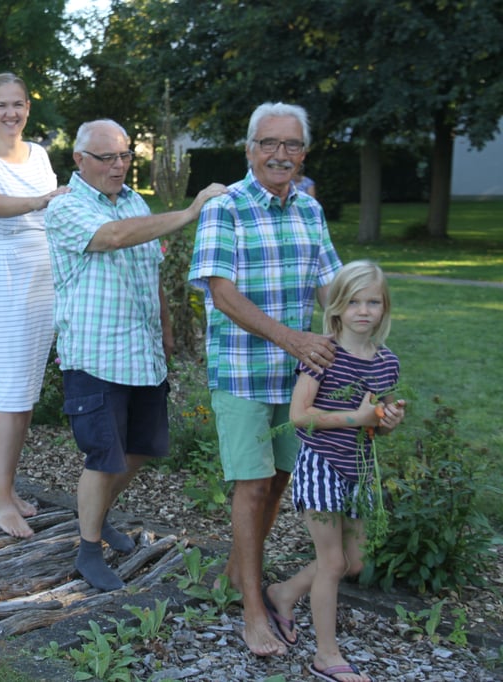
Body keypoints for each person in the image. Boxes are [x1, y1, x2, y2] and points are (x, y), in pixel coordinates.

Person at [44, 119, 226, 591]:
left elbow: (151, 268)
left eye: (125, 155)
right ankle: (88, 551)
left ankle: (98, 516)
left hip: (142, 353)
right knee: (103, 456)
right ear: (80, 160)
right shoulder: (65, 207)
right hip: (95, 354)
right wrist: (190, 211)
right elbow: (114, 237)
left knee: (141, 448)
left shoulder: (134, 202)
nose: (119, 165)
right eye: (107, 157)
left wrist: (166, 328)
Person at [187, 101, 342, 656]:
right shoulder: (225, 207)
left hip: (299, 377)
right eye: (269, 143)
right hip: (243, 371)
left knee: (278, 481)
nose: (280, 154)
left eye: (291, 144)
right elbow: (222, 293)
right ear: (250, 149)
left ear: (304, 153)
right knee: (251, 486)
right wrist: (292, 339)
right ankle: (253, 610)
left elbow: (331, 286)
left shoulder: (310, 209)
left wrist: (356, 343)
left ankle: (239, 574)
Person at [265, 260, 404, 682]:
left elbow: (376, 421)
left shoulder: (386, 362)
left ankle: (284, 592)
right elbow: (299, 415)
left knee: (354, 561)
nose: (363, 311)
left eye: (373, 302)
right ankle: (326, 655)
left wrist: (387, 420)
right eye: (354, 302)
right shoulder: (322, 354)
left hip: (360, 468)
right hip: (322, 466)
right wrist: (355, 419)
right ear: (338, 306)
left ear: (384, 307)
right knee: (331, 562)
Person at [0, 73, 69, 538]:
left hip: (42, 270)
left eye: (18, 104)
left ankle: (5, 488)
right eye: (2, 105)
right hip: (0, 271)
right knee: (11, 389)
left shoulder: (40, 155)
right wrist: (44, 199)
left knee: (25, 389)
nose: (11, 113)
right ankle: (0, 500)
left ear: (28, 107)